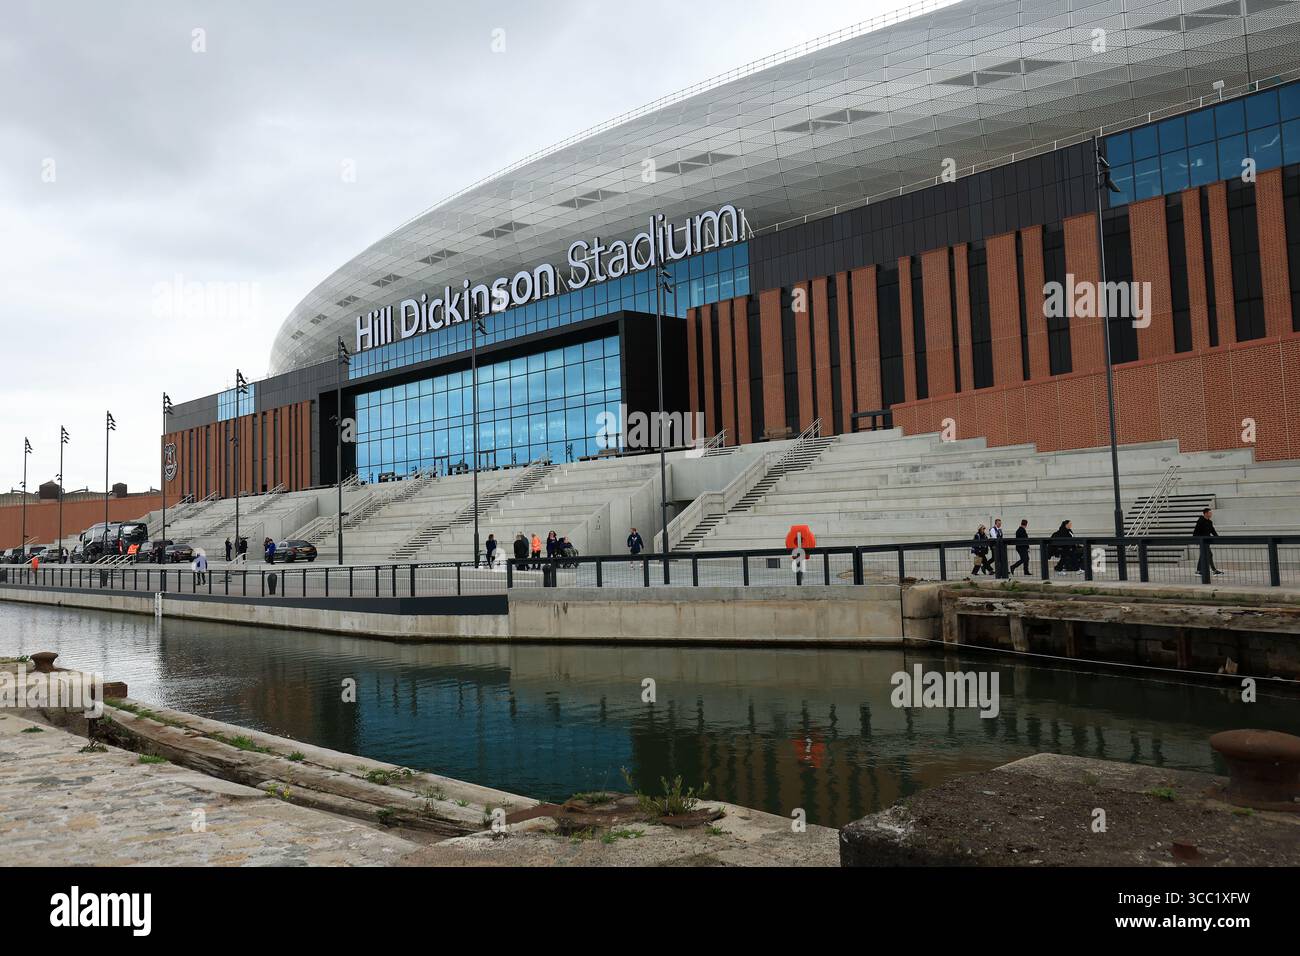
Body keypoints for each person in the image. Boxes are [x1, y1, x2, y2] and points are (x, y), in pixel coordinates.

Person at [1193, 507, 1223, 576]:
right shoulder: (1200, 521)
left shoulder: (1210, 522)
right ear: (1206, 513)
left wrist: (1217, 537)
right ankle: (1213, 570)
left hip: (1207, 541)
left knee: (1204, 555)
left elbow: (1213, 530)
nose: (1211, 514)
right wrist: (1197, 540)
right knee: (1209, 554)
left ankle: (1199, 570)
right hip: (1201, 541)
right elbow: (1196, 531)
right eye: (1210, 512)